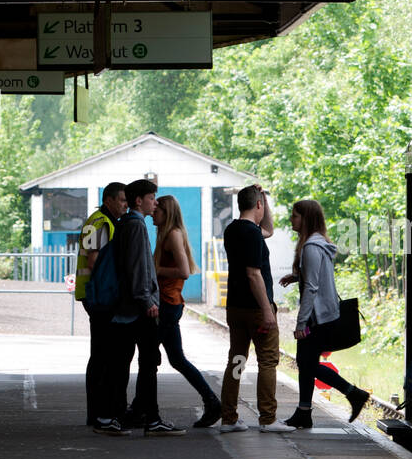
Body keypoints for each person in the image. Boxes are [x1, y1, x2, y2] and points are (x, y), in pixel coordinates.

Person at [95, 178, 183, 437]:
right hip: (137, 308)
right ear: (139, 200)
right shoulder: (135, 226)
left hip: (131, 306)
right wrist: (147, 300)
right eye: (151, 198)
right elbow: (137, 268)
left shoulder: (129, 224)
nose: (155, 203)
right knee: (142, 363)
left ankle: (128, 416)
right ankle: (121, 417)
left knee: (134, 362)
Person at [279, 200, 370, 428]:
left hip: (316, 318)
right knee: (306, 362)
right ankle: (304, 411)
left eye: (295, 216)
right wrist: (297, 276)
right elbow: (315, 278)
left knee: (305, 362)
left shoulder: (310, 247)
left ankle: (352, 393)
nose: (292, 219)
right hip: (325, 314)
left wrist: (301, 322)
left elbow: (312, 287)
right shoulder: (319, 244)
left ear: (306, 219)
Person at [218, 184, 288, 433]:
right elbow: (254, 274)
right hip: (257, 309)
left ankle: (229, 417)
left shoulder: (233, 229)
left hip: (235, 308)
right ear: (258, 204)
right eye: (262, 203)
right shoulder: (252, 234)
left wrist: (264, 199)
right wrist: (267, 309)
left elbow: (268, 228)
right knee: (267, 361)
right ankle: (268, 418)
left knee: (236, 359)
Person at [152, 194, 221, 428]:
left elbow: (183, 271)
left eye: (157, 210)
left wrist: (155, 269)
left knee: (153, 357)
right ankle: (211, 401)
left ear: (167, 213)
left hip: (168, 304)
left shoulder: (172, 235)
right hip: (168, 303)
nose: (153, 212)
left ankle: (144, 409)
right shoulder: (167, 234)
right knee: (176, 359)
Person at [78, 182, 126, 427]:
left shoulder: (100, 220)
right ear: (109, 200)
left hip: (96, 295)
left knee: (101, 354)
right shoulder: (100, 223)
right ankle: (99, 413)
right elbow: (95, 260)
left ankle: (97, 411)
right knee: (102, 355)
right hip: (99, 297)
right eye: (122, 200)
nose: (125, 205)